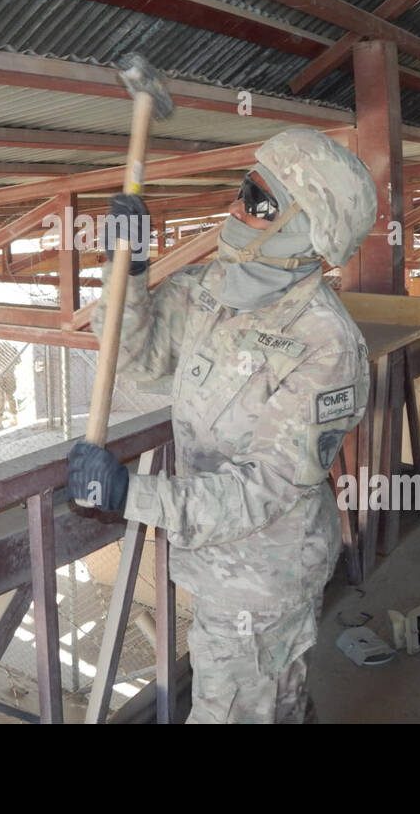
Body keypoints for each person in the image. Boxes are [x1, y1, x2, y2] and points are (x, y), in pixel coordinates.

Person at [66, 128, 375, 723]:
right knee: (275, 704)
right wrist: (125, 270)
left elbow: (262, 489)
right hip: (221, 564)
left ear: (302, 228)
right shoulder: (216, 288)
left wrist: (132, 493)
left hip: (264, 580)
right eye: (244, 190)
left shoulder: (326, 345)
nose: (234, 208)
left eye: (259, 202)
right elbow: (138, 356)